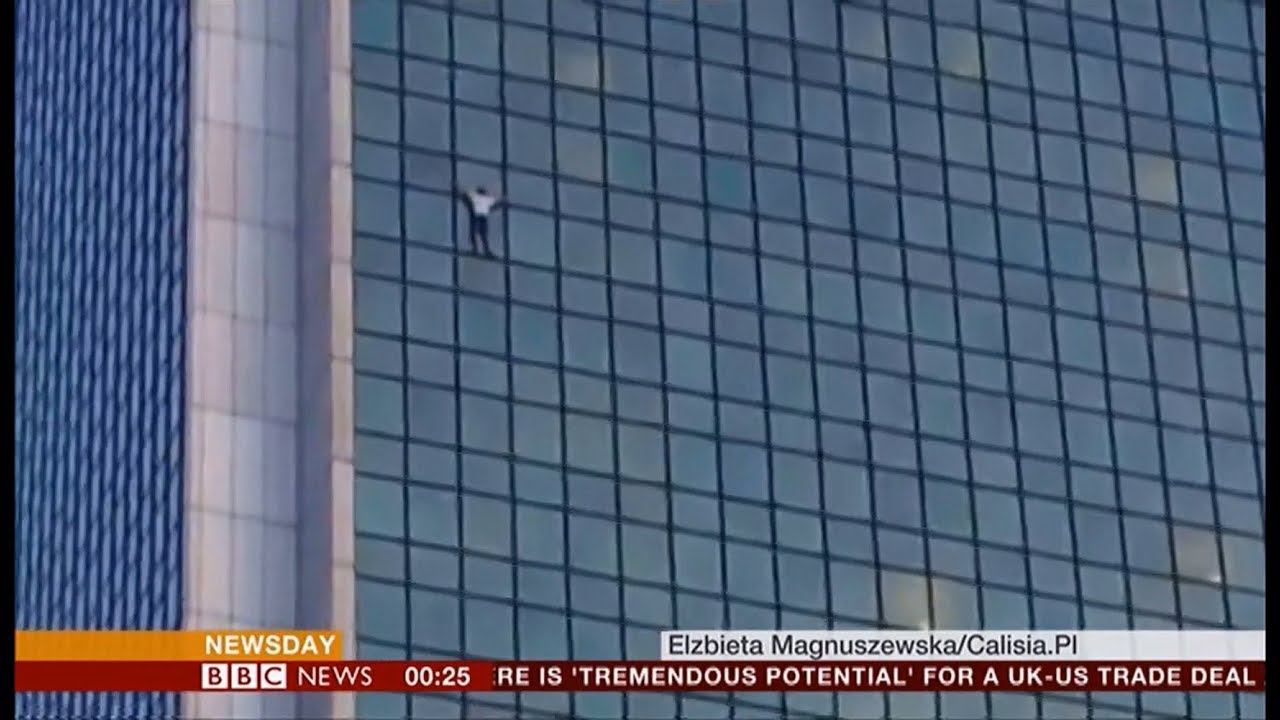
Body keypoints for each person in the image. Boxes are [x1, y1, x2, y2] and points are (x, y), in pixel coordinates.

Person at [457, 185, 501, 257]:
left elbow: (464, 198)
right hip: (479, 220)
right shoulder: (480, 201)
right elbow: (494, 206)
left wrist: (458, 191)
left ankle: (478, 250)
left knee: (477, 235)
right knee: (481, 235)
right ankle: (482, 250)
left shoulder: (476, 201)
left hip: (477, 220)